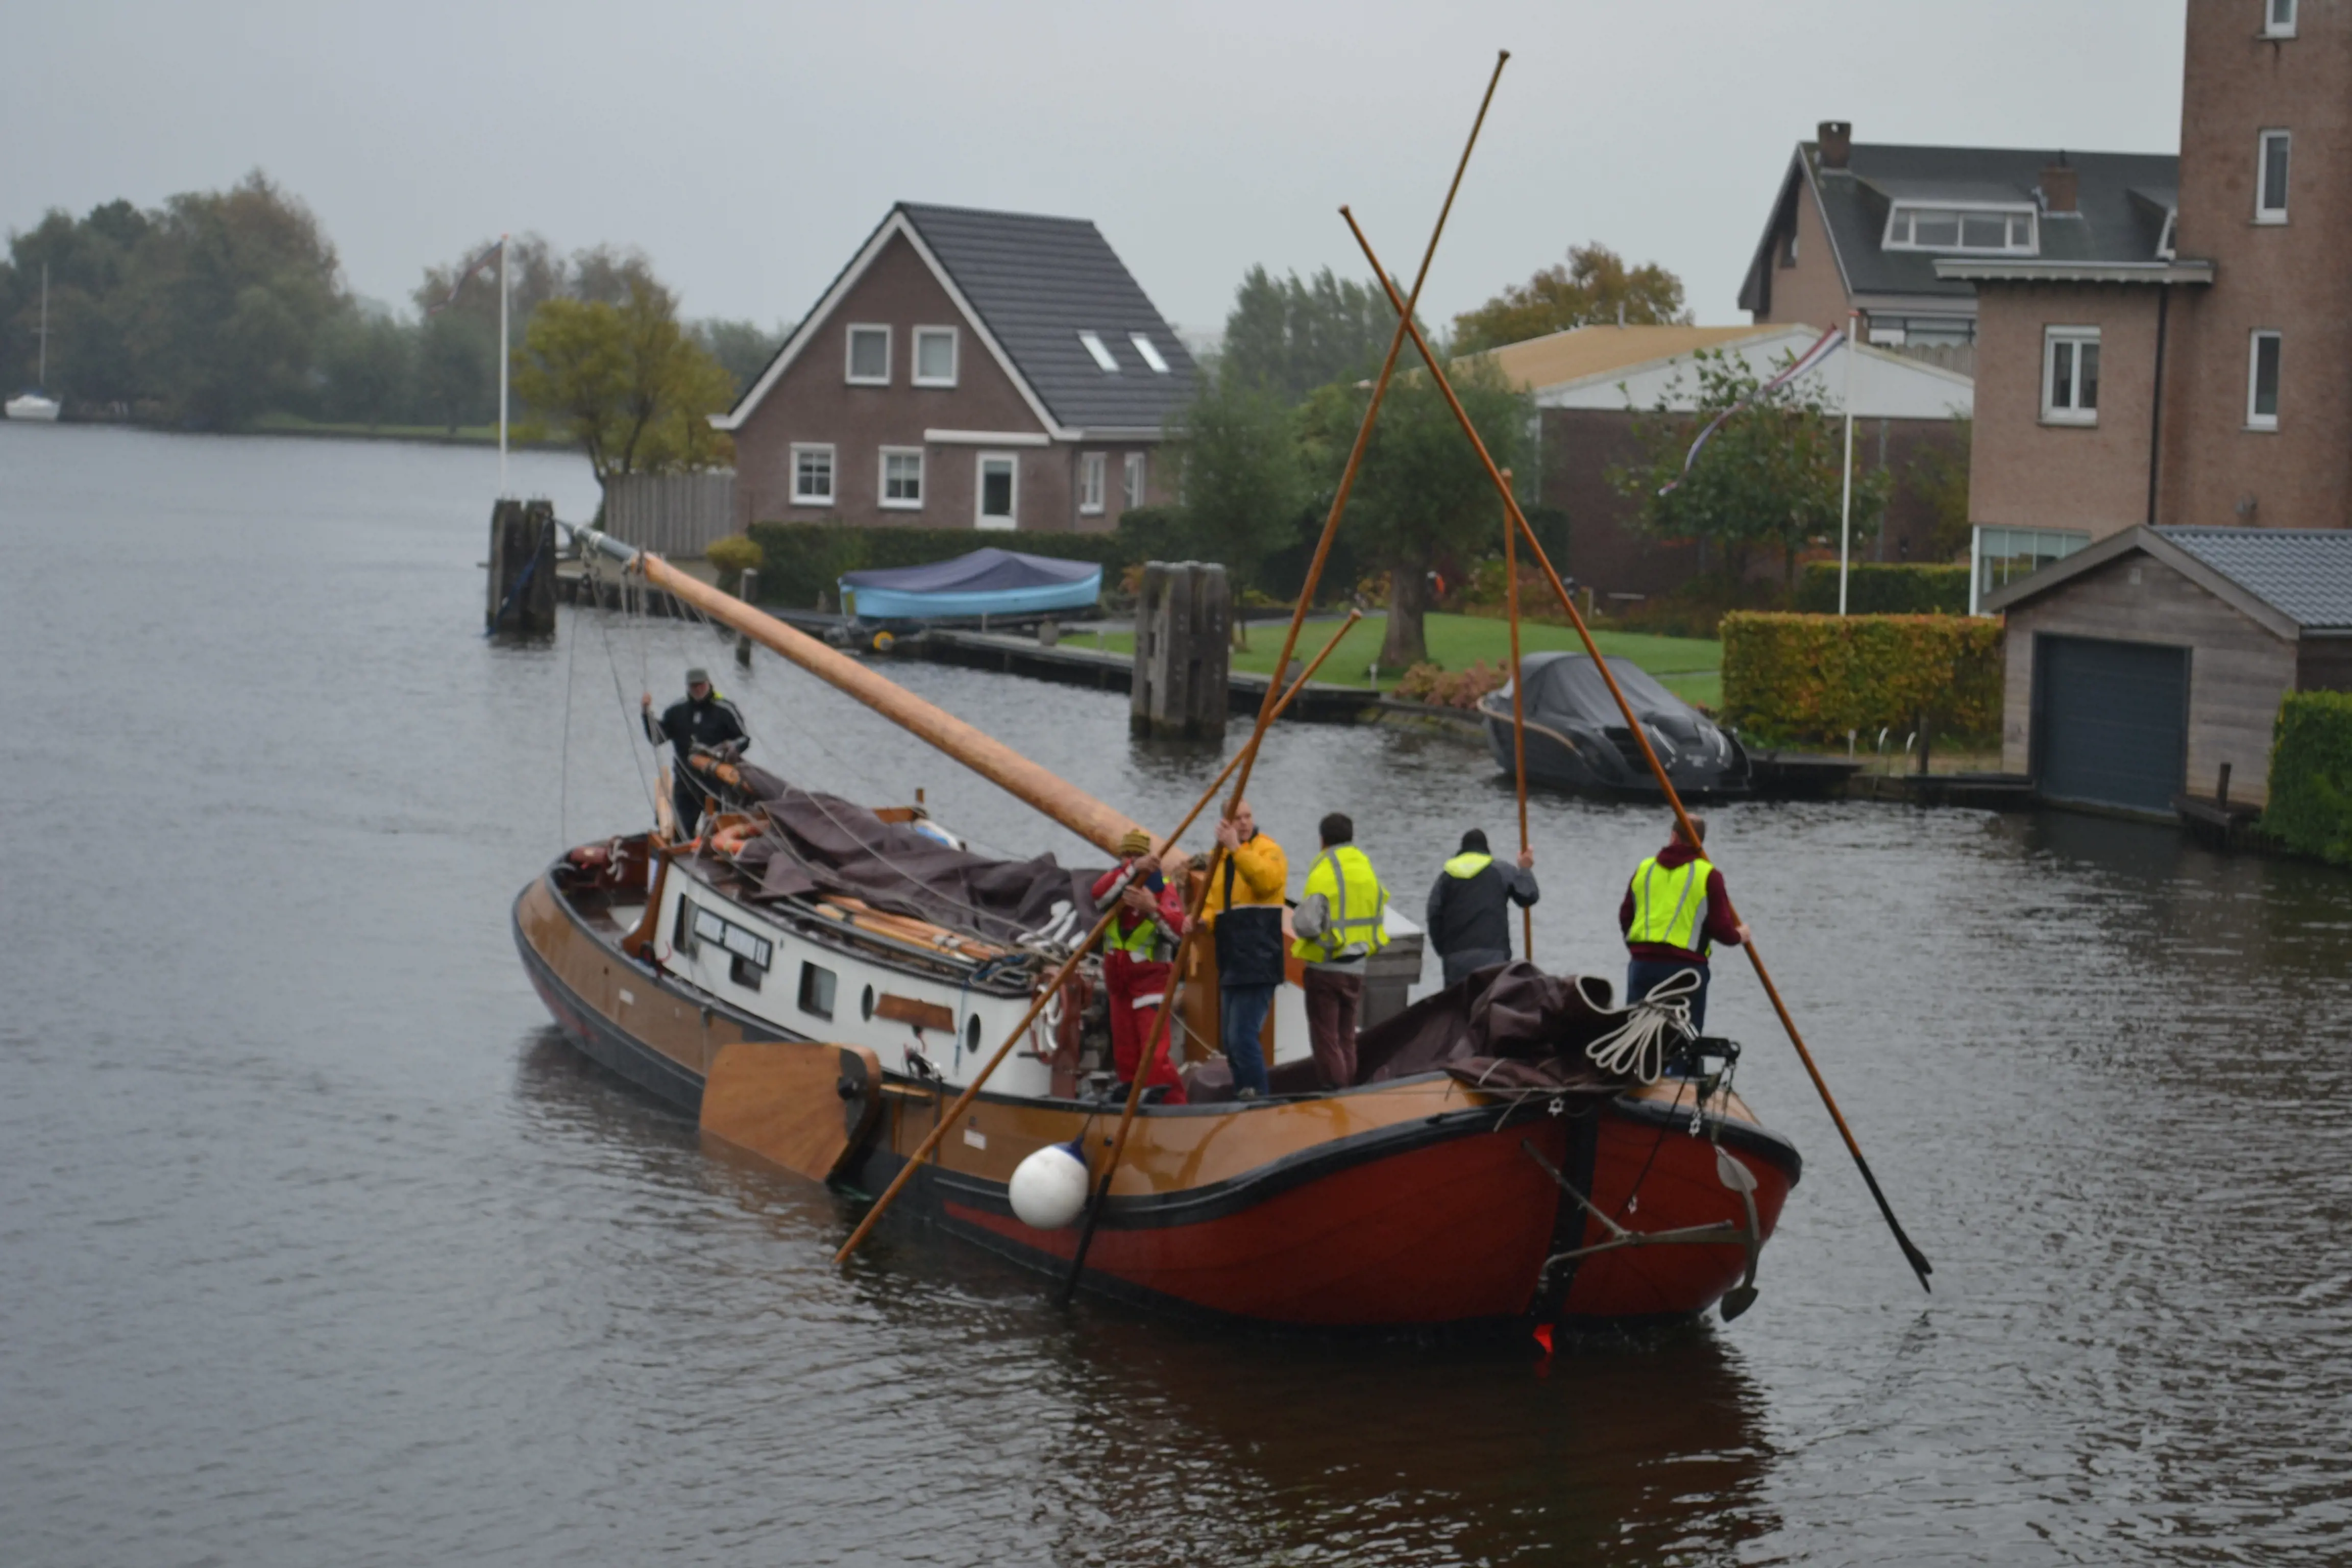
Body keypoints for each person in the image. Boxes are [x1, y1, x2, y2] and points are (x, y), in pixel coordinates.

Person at [1619, 815, 1750, 1034]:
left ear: (1673, 836)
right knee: (1683, 1039)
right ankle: (1677, 1067)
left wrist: (1639, 949)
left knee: (1635, 1035)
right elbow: (1721, 929)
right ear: (1701, 841)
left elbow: (1625, 917)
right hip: (1686, 971)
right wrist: (1740, 936)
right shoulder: (1709, 875)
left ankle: (1639, 1067)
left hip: (1643, 965)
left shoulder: (1645, 868)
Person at [1289, 813, 1389, 1090]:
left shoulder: (1324, 871)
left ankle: (1336, 1094)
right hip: (1357, 967)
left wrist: (1296, 918)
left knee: (1326, 1038)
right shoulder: (1366, 868)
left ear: (1322, 840)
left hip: (1326, 968)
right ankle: (1350, 1089)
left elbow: (1307, 923)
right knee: (1347, 1036)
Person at [1089, 829, 1189, 1104]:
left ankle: (1173, 1107)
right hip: (1119, 983)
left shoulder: (1161, 888)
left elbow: (1179, 933)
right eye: (1127, 856)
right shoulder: (1115, 884)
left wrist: (1152, 908)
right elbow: (1098, 895)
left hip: (1151, 983)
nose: (1131, 860)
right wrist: (1132, 869)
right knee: (1126, 1053)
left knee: (1155, 1055)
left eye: (1137, 856)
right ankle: (1131, 1102)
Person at [1202, 800, 1287, 1099]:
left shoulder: (1267, 850)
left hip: (1259, 956)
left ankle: (1258, 1099)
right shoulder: (1221, 860)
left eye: (1248, 816)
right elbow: (1216, 905)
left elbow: (1267, 882)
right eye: (1237, 818)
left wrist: (1238, 850)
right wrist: (1201, 919)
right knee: (1229, 1040)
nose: (1244, 823)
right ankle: (1244, 1094)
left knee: (1242, 1037)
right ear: (1225, 823)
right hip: (1232, 960)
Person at [640, 667, 749, 838]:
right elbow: (658, 738)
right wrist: (646, 714)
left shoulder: (725, 709)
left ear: (709, 684)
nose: (698, 689)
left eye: (701, 685)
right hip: (686, 783)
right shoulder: (677, 711)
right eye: (693, 686)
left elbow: (744, 738)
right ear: (687, 687)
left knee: (719, 834)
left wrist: (732, 748)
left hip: (717, 784)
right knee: (680, 834)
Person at [1425, 829, 1539, 987]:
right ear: (1486, 850)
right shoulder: (1501, 870)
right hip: (1494, 960)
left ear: (1462, 851)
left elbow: (1434, 916)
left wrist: (1445, 953)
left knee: (1458, 1009)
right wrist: (1525, 869)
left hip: (1456, 961)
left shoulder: (1446, 877)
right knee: (1491, 1008)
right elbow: (1529, 895)